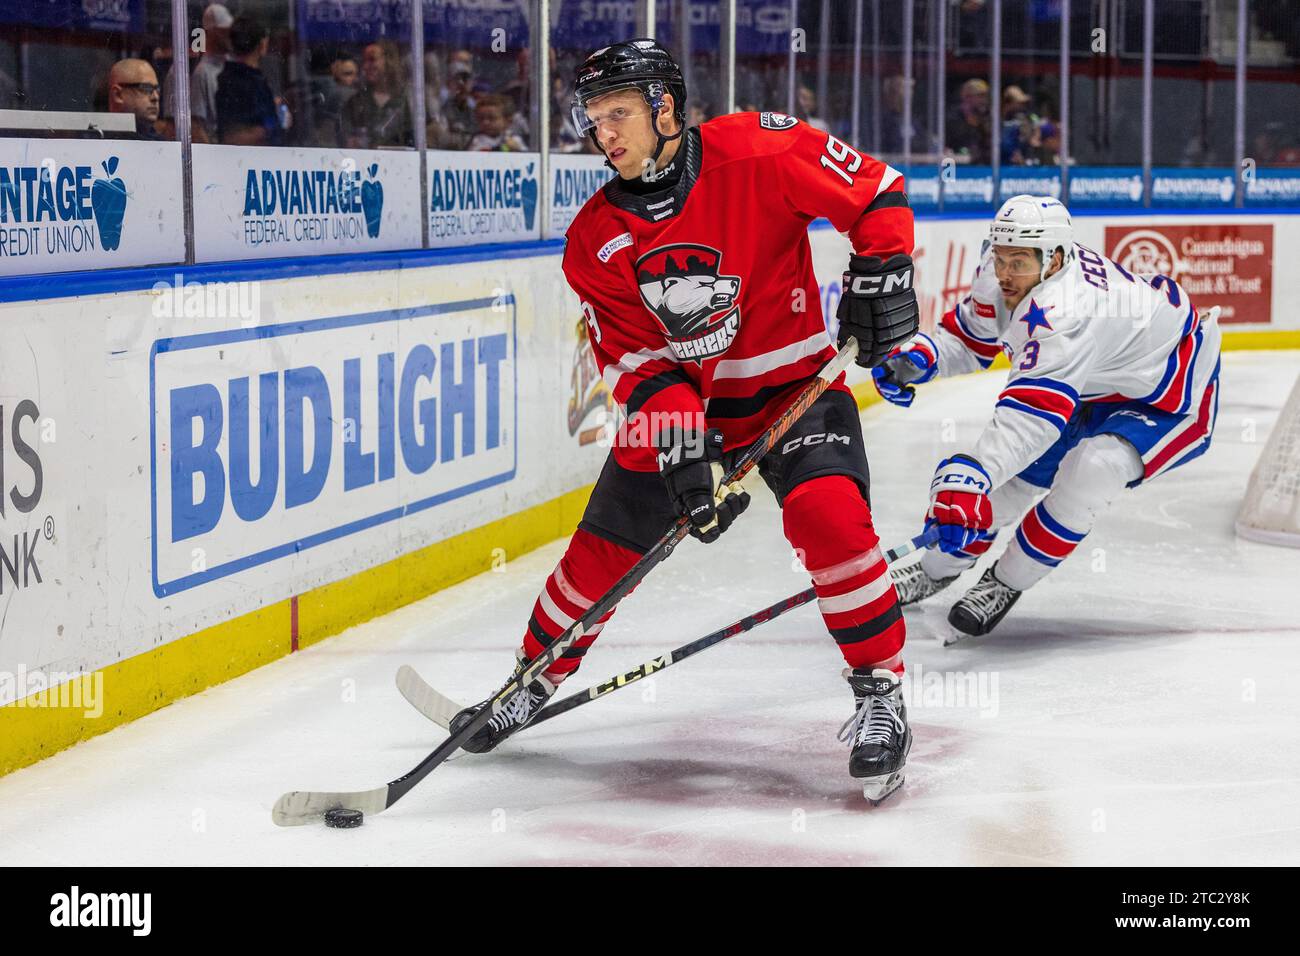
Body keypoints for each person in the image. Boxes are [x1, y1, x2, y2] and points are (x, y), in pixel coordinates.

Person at [448, 39, 921, 803]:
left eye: (620, 115)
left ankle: (880, 693)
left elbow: (878, 193)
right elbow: (637, 361)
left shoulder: (762, 149)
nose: (605, 136)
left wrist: (884, 263)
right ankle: (531, 679)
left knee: (833, 522)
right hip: (690, 410)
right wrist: (681, 446)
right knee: (599, 558)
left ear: (667, 108)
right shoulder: (595, 238)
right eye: (594, 120)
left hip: (792, 388)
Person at [874, 196, 1223, 637]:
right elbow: (972, 339)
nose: (1004, 273)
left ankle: (1005, 581)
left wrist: (973, 472)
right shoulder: (1005, 270)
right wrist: (926, 355)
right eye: (1000, 258)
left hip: (1171, 393)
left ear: (1054, 259)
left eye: (1017, 262)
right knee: (1001, 489)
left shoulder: (1067, 311)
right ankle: (934, 569)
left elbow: (1032, 417)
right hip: (1097, 379)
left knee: (1091, 471)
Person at [215, 16, 283, 145]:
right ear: (262, 43)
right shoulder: (237, 83)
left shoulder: (240, 79)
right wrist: (269, 128)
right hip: (248, 160)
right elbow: (232, 136)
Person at [341, 40, 413, 149]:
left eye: (372, 60)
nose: (365, 66)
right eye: (364, 61)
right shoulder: (356, 102)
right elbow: (344, 140)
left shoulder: (406, 100)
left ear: (390, 61)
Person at [107, 59, 163, 139]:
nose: (155, 97)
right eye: (146, 88)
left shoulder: (163, 144)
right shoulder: (95, 142)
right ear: (118, 95)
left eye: (157, 89)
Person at [945, 78, 991, 165]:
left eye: (986, 96)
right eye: (980, 96)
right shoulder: (952, 121)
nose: (984, 101)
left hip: (983, 170)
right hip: (959, 170)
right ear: (967, 97)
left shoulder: (988, 120)